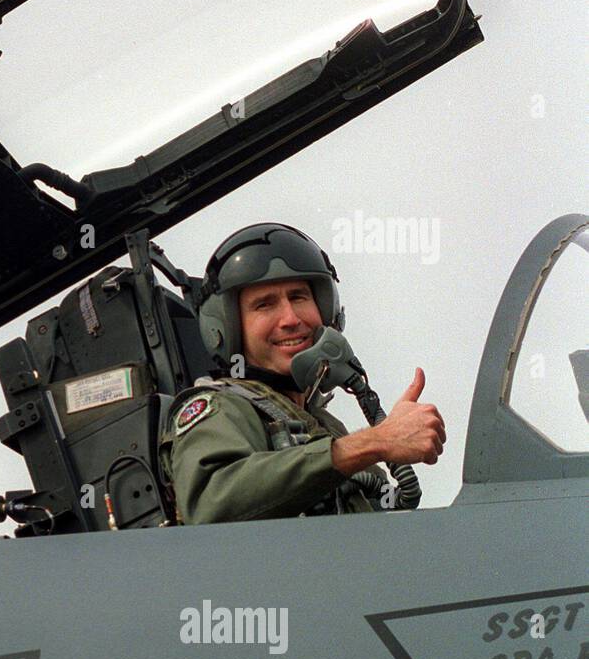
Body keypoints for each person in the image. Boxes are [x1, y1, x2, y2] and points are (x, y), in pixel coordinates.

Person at [159, 223, 446, 525]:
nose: (291, 319)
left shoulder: (323, 426)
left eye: (298, 297)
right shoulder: (221, 407)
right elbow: (210, 502)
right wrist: (376, 442)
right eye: (265, 305)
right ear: (226, 328)